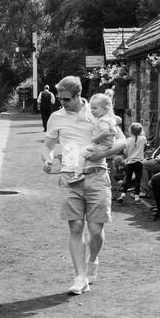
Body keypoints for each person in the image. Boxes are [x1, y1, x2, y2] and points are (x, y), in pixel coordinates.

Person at [42, 75, 126, 295]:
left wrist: (104, 152)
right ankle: (79, 277)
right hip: (70, 178)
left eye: (67, 99)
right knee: (76, 227)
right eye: (60, 99)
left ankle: (93, 260)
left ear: (79, 95)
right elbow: (48, 145)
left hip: (97, 175)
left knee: (96, 230)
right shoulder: (56, 117)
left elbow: (122, 140)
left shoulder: (97, 111)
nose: (62, 103)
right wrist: (48, 159)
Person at [114, 123, 146, 202]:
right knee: (138, 180)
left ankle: (122, 196)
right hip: (139, 162)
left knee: (128, 179)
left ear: (130, 131)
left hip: (130, 162)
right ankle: (137, 197)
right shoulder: (143, 139)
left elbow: (126, 152)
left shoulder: (128, 140)